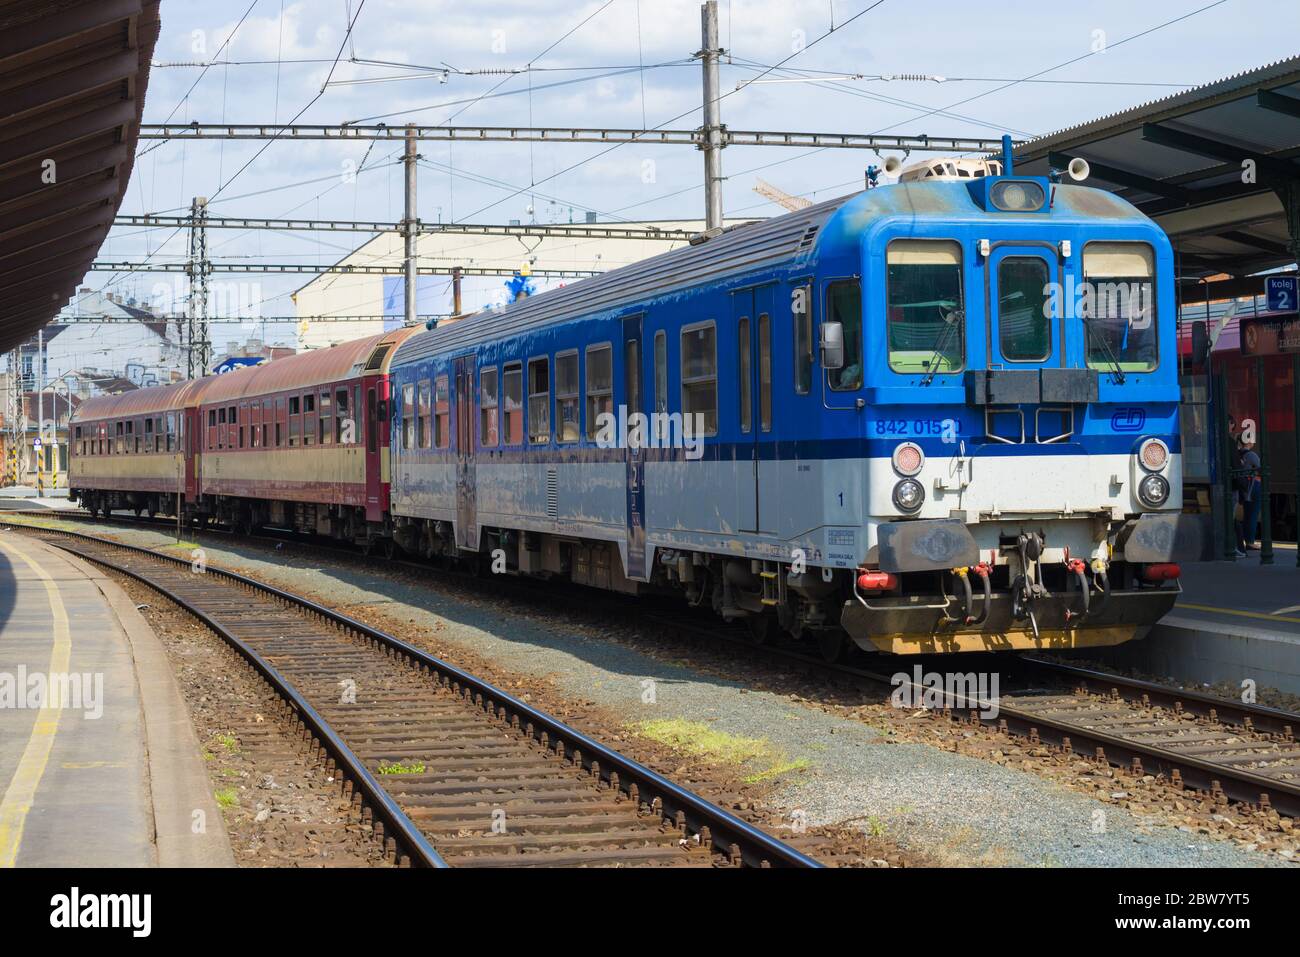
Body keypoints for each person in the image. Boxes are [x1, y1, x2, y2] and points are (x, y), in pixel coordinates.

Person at [1240, 440, 1262, 550]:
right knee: (1253, 514)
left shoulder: (1239, 454)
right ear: (1249, 442)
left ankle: (1247, 540)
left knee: (1247, 515)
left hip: (1245, 487)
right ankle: (1250, 541)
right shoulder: (1251, 455)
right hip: (1254, 486)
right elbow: (1260, 468)